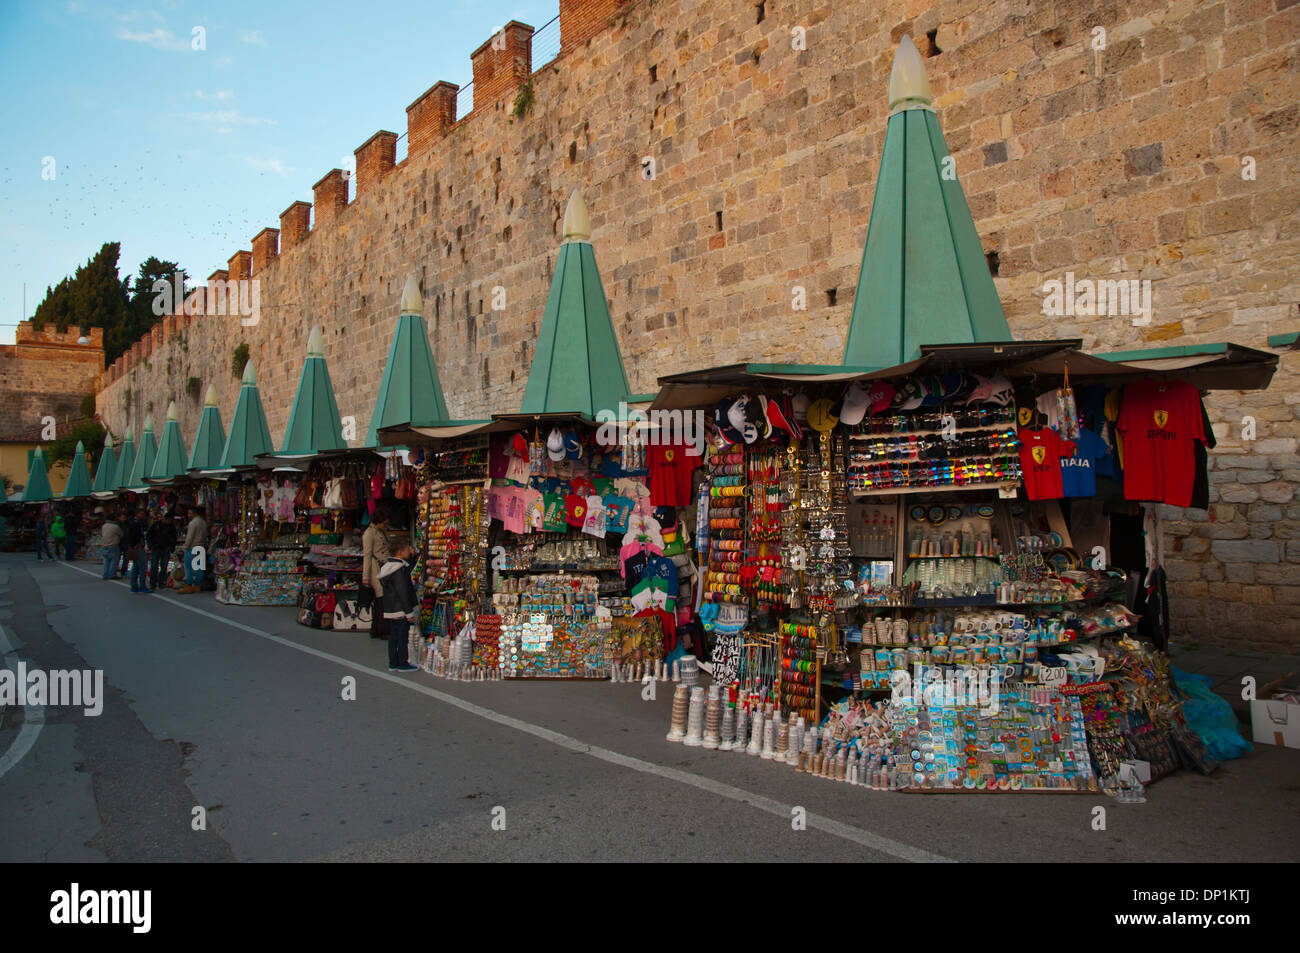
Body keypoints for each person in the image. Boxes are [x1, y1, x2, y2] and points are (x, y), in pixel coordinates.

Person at [377, 542, 420, 672]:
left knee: (393, 637)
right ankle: (402, 662)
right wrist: (409, 613)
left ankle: (393, 662)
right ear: (400, 552)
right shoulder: (399, 570)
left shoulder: (387, 568)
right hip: (401, 609)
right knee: (402, 637)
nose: (410, 551)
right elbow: (403, 592)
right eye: (407, 549)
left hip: (391, 609)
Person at [361, 505, 393, 641]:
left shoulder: (381, 531)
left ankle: (377, 628)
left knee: (382, 599)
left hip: (384, 567)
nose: (385, 525)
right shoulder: (369, 533)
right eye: (384, 522)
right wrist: (365, 577)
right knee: (381, 598)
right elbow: (367, 556)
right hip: (376, 568)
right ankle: (382, 628)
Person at [177, 505, 209, 593]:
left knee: (189, 567)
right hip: (201, 547)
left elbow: (189, 537)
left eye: (190, 513)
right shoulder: (203, 522)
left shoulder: (193, 523)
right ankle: (197, 585)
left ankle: (188, 585)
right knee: (199, 568)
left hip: (193, 547)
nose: (188, 515)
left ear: (195, 513)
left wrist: (184, 548)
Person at [146, 511, 178, 592]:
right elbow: (149, 535)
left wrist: (172, 547)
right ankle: (152, 583)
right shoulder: (156, 525)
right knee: (154, 566)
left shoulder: (171, 527)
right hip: (156, 548)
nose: (170, 522)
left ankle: (161, 583)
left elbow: (174, 537)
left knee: (164, 567)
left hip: (166, 548)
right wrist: (151, 545)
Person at [126, 508, 148, 593]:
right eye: (141, 514)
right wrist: (137, 544)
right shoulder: (135, 524)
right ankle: (142, 586)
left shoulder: (134, 523)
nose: (143, 515)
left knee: (135, 567)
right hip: (138, 548)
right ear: (137, 514)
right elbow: (135, 535)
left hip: (135, 547)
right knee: (142, 567)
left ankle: (134, 586)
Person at [100, 512, 123, 580]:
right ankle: (112, 574)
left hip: (104, 544)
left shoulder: (104, 526)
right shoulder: (115, 527)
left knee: (106, 560)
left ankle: (105, 574)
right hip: (113, 545)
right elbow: (121, 534)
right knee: (113, 560)